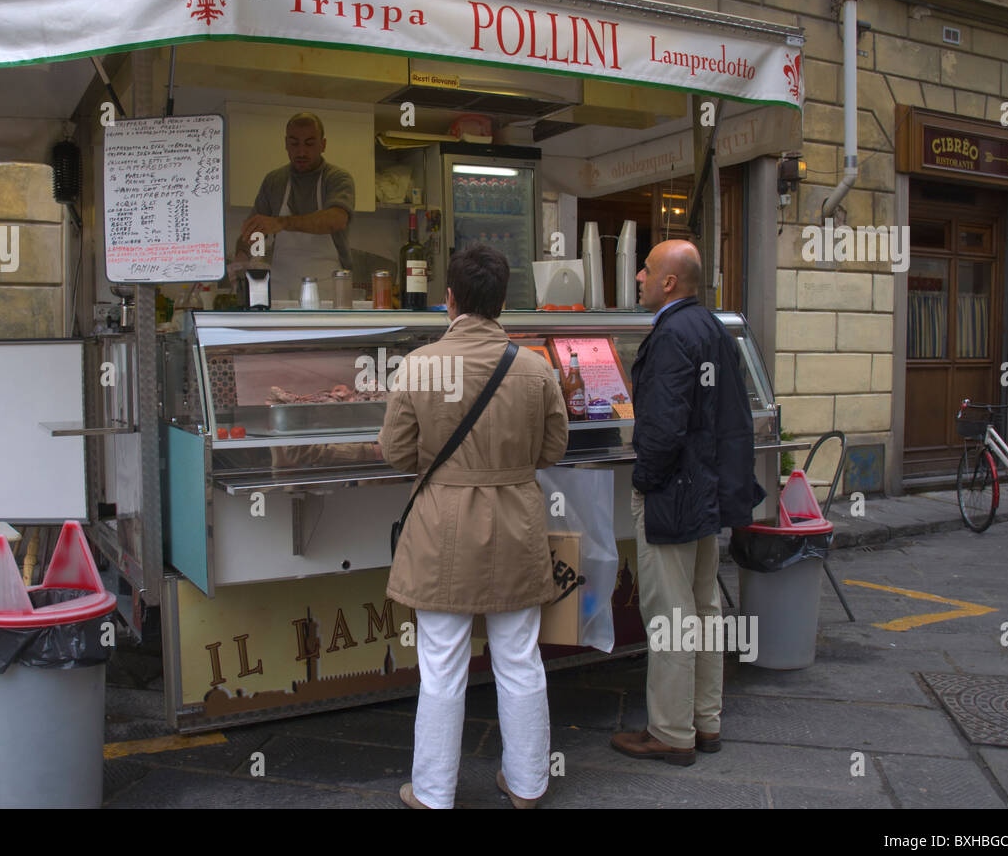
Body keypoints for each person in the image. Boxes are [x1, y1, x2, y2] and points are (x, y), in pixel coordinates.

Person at [378, 244, 569, 809]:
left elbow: (395, 453)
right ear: (503, 300)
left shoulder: (418, 365)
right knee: (519, 657)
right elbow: (554, 448)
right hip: (517, 523)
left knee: (440, 664)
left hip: (441, 527)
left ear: (450, 300)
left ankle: (434, 792)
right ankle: (529, 783)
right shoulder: (534, 367)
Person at [611, 239, 763, 766]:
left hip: (672, 492)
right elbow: (731, 416)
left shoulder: (671, 335)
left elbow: (663, 426)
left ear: (669, 282)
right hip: (705, 492)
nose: (638, 279)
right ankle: (705, 721)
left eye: (646, 271)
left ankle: (671, 733)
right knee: (703, 608)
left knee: (671, 615)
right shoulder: (714, 328)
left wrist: (643, 480)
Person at [232, 113, 356, 297]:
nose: (301, 152)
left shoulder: (337, 178)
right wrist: (244, 254)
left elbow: (336, 220)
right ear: (286, 144)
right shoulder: (274, 181)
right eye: (294, 143)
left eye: (309, 143)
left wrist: (282, 223)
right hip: (280, 288)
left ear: (323, 145)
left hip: (329, 288)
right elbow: (257, 232)